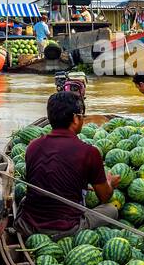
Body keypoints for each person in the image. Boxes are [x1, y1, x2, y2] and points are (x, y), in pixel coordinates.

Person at [19, 92, 120, 237]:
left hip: (27, 225)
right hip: (65, 229)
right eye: (82, 116)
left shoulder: (33, 146)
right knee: (111, 210)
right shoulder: (89, 152)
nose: (83, 119)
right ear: (75, 118)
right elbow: (104, 197)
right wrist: (110, 183)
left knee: (25, 199)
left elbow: (48, 177)